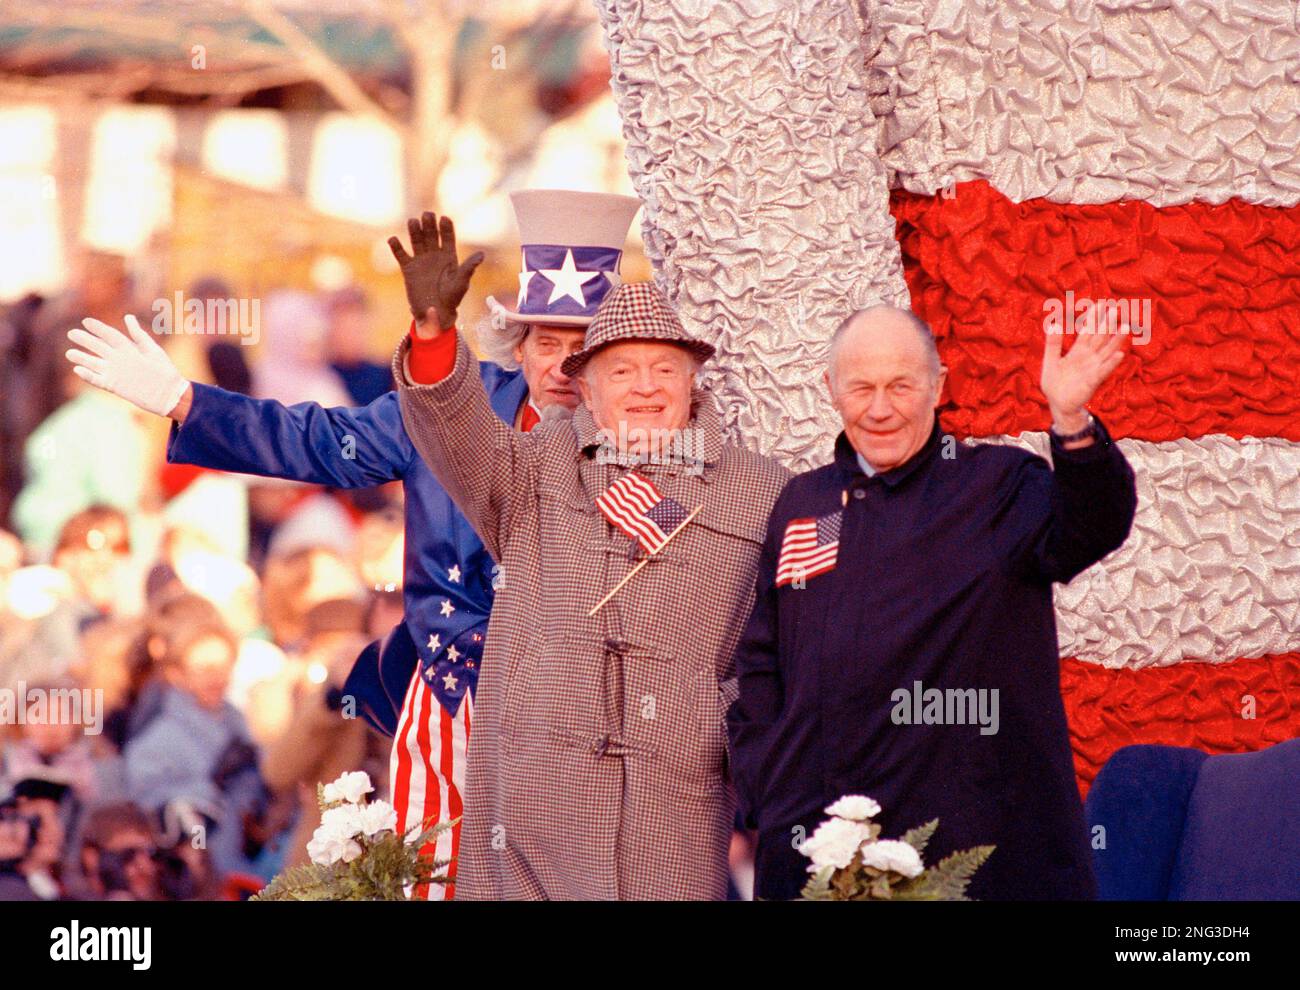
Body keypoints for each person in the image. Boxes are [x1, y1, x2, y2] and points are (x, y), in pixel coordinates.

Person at [64, 190, 643, 898]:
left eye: (581, 348)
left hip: (585, 716)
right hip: (450, 694)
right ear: (515, 346)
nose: (560, 367)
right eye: (546, 343)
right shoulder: (448, 406)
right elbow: (314, 442)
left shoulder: (643, 439)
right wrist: (187, 401)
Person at [393, 216, 792, 899]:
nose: (645, 386)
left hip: (674, 812)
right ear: (587, 386)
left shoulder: (761, 491)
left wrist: (713, 722)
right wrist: (434, 338)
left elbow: (785, 649)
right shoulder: (533, 466)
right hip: (529, 817)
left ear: (692, 380)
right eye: (622, 370)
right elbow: (455, 436)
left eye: (664, 368)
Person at [727, 305, 1138, 900]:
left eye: (901, 385)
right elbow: (761, 664)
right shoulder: (803, 500)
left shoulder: (997, 484)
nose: (880, 408)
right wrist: (768, 785)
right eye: (861, 387)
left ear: (938, 386)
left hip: (976, 851)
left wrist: (1071, 421)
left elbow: (1094, 524)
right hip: (817, 851)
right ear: (831, 390)